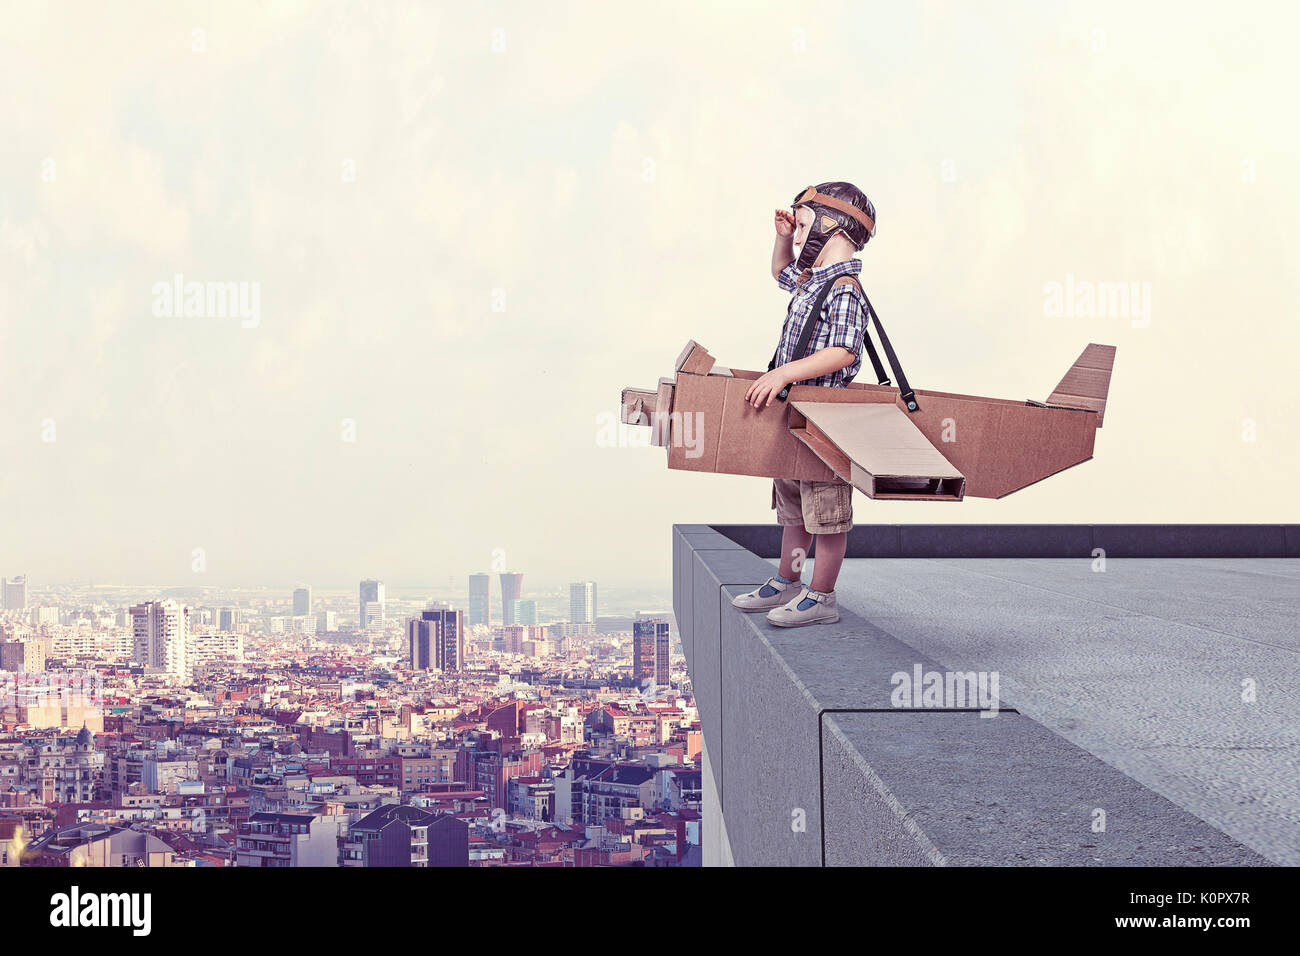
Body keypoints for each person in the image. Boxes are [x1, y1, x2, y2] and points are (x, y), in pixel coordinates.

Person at [731, 182, 877, 627]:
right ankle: (787, 581)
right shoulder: (813, 280)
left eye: (803, 224)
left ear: (833, 226)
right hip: (796, 417)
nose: (796, 234)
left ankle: (822, 597)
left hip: (826, 423)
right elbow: (780, 272)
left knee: (826, 514)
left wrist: (782, 373)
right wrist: (780, 237)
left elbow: (845, 350)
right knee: (792, 506)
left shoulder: (845, 287)